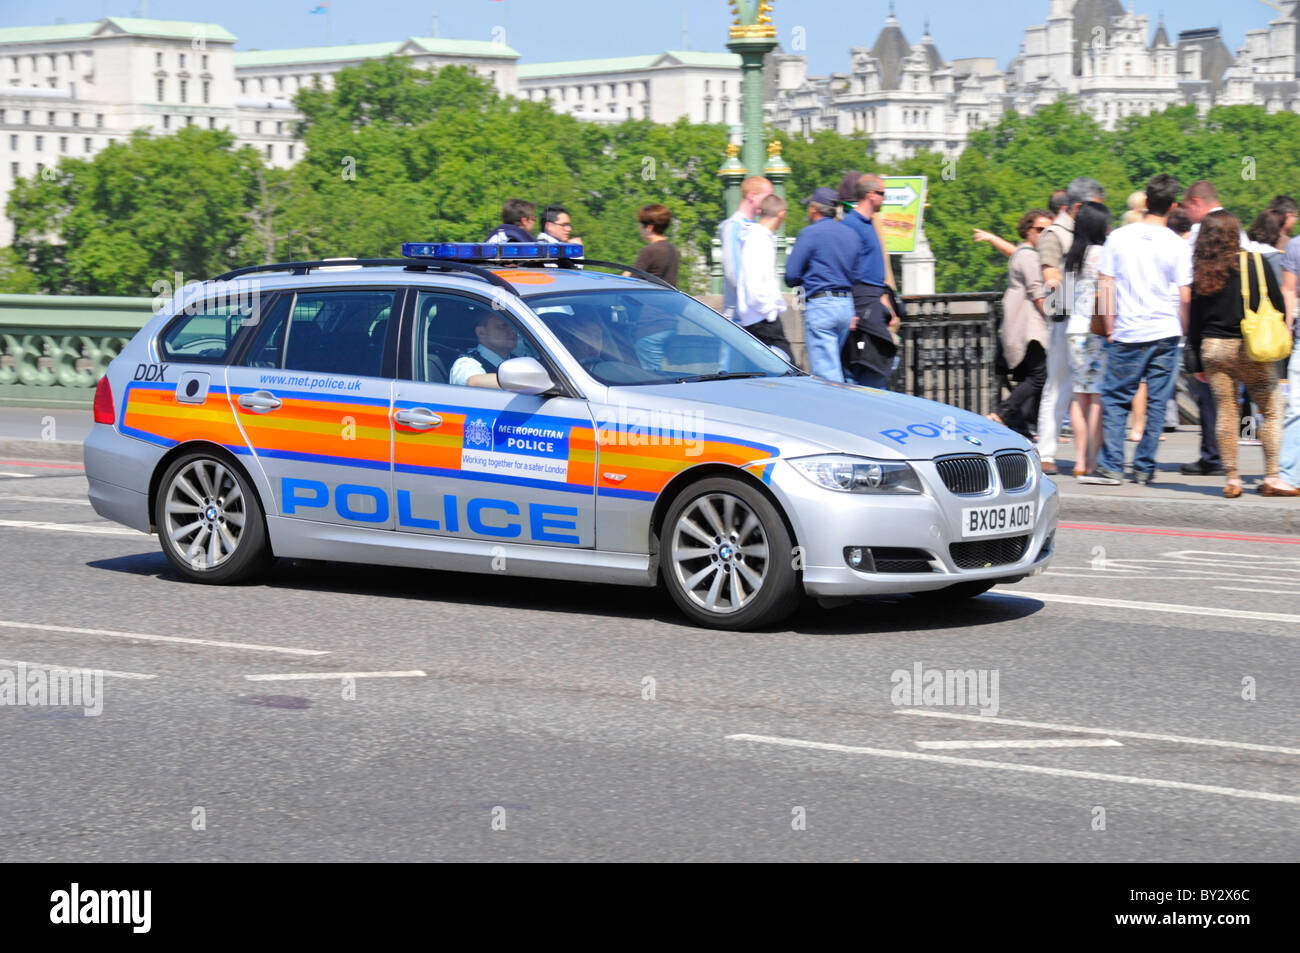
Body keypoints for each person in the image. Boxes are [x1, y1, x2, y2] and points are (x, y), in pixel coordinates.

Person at [1186, 210, 1298, 497]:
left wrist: (1195, 359)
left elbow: (1195, 318)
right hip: (1252, 348)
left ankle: (1233, 479)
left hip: (1214, 349)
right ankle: (1272, 475)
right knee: (1272, 409)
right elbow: (1278, 305)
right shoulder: (1255, 262)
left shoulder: (1202, 268)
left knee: (1226, 411)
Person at [1094, 173, 1192, 486]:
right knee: (1157, 402)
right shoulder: (1177, 244)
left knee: (1115, 399)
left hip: (1129, 330)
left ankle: (1111, 465)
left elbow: (1105, 284)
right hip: (1166, 330)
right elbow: (1185, 296)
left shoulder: (1119, 237)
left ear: (1145, 202)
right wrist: (1182, 331)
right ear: (1173, 206)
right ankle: (1144, 465)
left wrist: (1110, 325)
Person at [1037, 177, 1107, 475]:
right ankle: (1046, 451)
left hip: (1078, 320)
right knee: (1059, 384)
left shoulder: (1082, 233)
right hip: (1066, 318)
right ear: (1080, 207)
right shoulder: (1054, 234)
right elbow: (1050, 275)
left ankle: (1085, 456)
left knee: (1078, 390)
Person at [1178, 180, 1237, 476]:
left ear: (1196, 202)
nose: (1186, 213)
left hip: (1212, 332)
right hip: (1240, 332)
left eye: (1187, 206)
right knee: (1230, 400)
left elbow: (1190, 292)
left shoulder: (1202, 233)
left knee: (1211, 399)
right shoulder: (1238, 230)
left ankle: (1214, 457)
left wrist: (1191, 340)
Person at [784, 187, 860, 381]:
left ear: (814, 208)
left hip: (821, 306)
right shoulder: (851, 234)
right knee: (835, 364)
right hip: (846, 306)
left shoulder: (810, 233)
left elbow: (791, 275)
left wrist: (807, 278)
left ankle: (837, 410)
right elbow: (856, 273)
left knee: (827, 375)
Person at [988, 210, 1052, 438]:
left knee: (1031, 377)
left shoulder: (1028, 253)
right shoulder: (1028, 256)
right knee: (1040, 376)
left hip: (1026, 326)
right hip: (1029, 327)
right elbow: (1038, 292)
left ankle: (1020, 426)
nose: (1044, 234)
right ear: (1027, 230)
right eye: (1039, 229)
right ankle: (1002, 413)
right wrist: (1053, 318)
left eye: (1049, 230)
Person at [1062, 200, 1112, 481]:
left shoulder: (1072, 257)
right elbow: (1107, 293)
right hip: (1096, 331)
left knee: (1079, 395)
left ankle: (1079, 459)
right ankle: (1093, 460)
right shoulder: (1103, 254)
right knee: (1097, 397)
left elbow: (1061, 298)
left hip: (1074, 330)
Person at [841, 172, 899, 388]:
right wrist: (850, 309)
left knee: (879, 360)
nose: (885, 199)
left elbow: (876, 272)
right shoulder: (851, 225)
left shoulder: (869, 224)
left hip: (874, 299)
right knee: (871, 361)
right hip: (861, 300)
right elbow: (845, 268)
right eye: (883, 194)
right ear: (871, 194)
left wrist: (885, 303)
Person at [735, 193, 795, 359]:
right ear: (781, 214)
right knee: (788, 369)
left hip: (759, 317)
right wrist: (768, 310)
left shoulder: (756, 237)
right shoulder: (759, 239)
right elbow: (753, 280)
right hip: (762, 319)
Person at [719, 175, 774, 320]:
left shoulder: (755, 228)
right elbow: (733, 272)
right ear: (752, 195)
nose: (770, 203)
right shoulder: (733, 226)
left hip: (754, 314)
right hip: (738, 316)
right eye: (767, 197)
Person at [448, 312, 525, 388]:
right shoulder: (466, 362)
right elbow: (474, 382)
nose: (513, 331)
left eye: (514, 326)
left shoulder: (518, 360)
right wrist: (526, 380)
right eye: (503, 326)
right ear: (481, 333)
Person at [1281, 220, 1300, 487]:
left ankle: (1287, 475)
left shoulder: (1295, 246)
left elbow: (1288, 290)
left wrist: (1286, 328)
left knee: (1295, 407)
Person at [632, 203, 680, 288]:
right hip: (667, 298)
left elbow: (632, 281)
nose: (639, 228)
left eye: (642, 224)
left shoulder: (649, 251)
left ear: (649, 228)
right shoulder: (673, 250)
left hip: (649, 299)